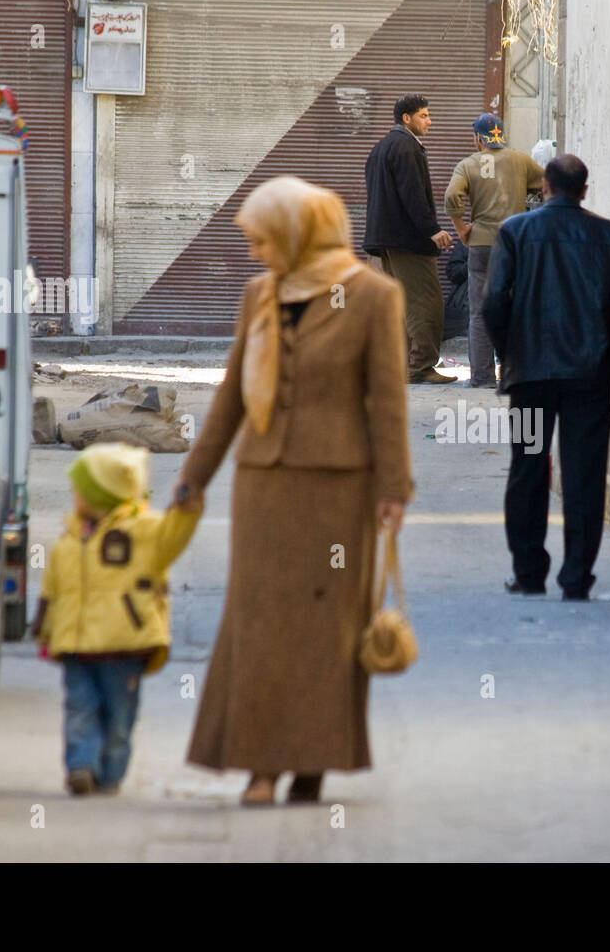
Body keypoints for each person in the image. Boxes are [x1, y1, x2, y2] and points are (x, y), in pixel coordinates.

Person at [174, 176, 413, 806]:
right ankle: (260, 766)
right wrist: (193, 475)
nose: (255, 253)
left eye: (263, 239)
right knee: (259, 625)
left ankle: (311, 765)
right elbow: (231, 395)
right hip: (263, 487)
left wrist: (395, 487)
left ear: (297, 233)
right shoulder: (260, 293)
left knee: (327, 627)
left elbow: (387, 398)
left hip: (339, 489)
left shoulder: (372, 297)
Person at [481, 154, 610, 601]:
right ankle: (576, 577)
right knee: (584, 474)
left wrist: (510, 353)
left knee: (529, 468)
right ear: (584, 190)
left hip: (531, 379)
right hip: (589, 379)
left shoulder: (516, 231)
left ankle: (529, 573)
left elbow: (494, 302)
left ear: (545, 186)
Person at [31, 442, 202, 795]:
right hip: (77, 645)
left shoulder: (144, 532)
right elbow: (53, 590)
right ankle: (81, 766)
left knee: (119, 717)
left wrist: (186, 509)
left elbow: (173, 535)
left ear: (101, 495)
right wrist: (44, 630)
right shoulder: (70, 538)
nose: (73, 496)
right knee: (79, 707)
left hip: (125, 645)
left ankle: (109, 773)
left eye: (79, 490)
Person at [444, 113, 544, 388]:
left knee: (478, 311)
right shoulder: (521, 160)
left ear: (478, 138)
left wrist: (461, 228)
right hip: (513, 245)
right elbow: (548, 184)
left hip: (481, 244)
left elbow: (452, 196)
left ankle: (482, 376)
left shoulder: (467, 164)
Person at [363, 93, 456, 384]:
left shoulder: (380, 148)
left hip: (385, 239)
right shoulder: (407, 147)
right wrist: (432, 229)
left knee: (401, 302)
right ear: (407, 118)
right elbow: (412, 195)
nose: (430, 121)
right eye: (424, 115)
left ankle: (401, 366)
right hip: (408, 240)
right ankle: (421, 368)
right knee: (426, 302)